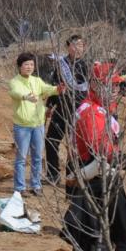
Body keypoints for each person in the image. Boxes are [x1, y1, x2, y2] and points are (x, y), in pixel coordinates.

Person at [62, 65, 126, 251]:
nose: (116, 90)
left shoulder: (102, 109)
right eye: (111, 85)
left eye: (117, 85)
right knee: (98, 235)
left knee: (93, 234)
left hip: (98, 176)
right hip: (93, 180)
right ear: (96, 85)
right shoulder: (91, 112)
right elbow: (100, 149)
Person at [43, 34, 90, 184]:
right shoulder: (60, 64)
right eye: (75, 45)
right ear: (68, 47)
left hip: (77, 111)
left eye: (81, 45)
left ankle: (72, 177)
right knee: (51, 140)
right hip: (61, 109)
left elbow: (83, 89)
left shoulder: (85, 66)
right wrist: (50, 106)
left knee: (74, 145)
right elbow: (55, 86)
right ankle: (53, 174)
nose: (78, 48)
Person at [9, 51, 54, 196]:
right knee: (22, 158)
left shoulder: (37, 81)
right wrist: (25, 97)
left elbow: (47, 88)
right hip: (22, 126)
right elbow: (15, 92)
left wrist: (57, 89)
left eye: (31, 64)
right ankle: (20, 188)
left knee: (37, 157)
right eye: (26, 64)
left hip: (38, 125)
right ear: (20, 66)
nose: (29, 67)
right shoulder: (14, 82)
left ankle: (36, 185)